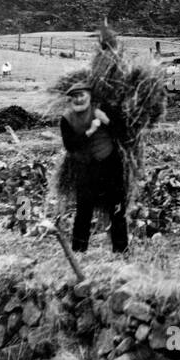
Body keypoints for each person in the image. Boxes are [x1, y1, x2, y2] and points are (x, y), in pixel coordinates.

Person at [58, 80, 129, 254]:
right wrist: (89, 131)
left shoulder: (102, 110)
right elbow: (70, 146)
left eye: (81, 95)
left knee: (117, 209)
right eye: (74, 96)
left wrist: (108, 122)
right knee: (83, 211)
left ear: (90, 96)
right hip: (85, 169)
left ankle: (121, 250)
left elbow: (123, 134)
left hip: (109, 166)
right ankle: (79, 250)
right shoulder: (67, 118)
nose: (78, 99)